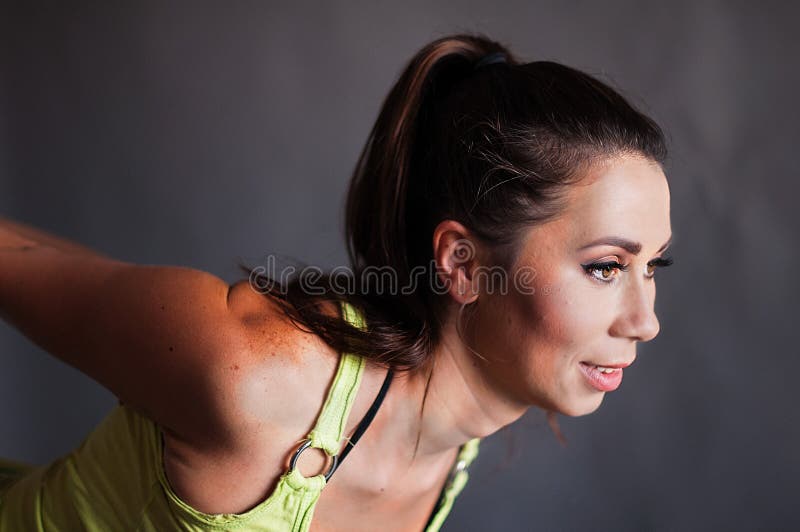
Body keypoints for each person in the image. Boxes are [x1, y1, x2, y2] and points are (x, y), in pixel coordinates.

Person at [0, 31, 673, 531]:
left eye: (653, 267)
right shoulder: (255, 373)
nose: (645, 320)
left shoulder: (453, 441)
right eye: (607, 267)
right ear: (462, 265)